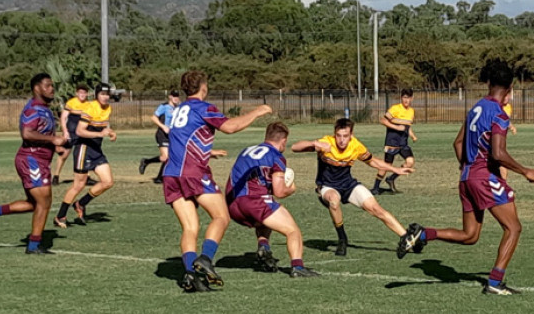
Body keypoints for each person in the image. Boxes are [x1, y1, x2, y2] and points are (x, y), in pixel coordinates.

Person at [398, 58, 534, 295]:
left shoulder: (476, 108)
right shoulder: (499, 114)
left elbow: (458, 142)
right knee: (513, 228)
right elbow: (498, 152)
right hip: (483, 177)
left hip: (466, 177)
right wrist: (525, 170)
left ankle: (423, 233)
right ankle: (495, 283)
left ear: (489, 84)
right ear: (509, 88)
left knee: (470, 235)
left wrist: (468, 169)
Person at [163, 70, 272, 292]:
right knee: (221, 216)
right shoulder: (204, 107)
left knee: (190, 227)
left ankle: (191, 275)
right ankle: (205, 259)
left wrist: (207, 152)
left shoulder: (178, 110)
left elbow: (182, 138)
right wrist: (257, 112)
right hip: (193, 173)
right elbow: (230, 127)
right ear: (203, 86)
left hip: (171, 174)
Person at [292, 117, 413, 257]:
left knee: (375, 208)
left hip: (348, 185)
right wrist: (314, 143)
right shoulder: (326, 143)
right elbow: (295, 148)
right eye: (338, 135)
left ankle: (407, 238)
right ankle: (342, 239)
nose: (341, 140)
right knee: (333, 200)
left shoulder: (355, 146)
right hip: (327, 186)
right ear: (334, 134)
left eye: (345, 136)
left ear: (351, 135)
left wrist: (396, 170)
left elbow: (373, 162)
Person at [0, 74, 68, 254]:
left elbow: (41, 133)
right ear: (37, 88)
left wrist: (54, 145)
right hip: (31, 159)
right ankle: (33, 246)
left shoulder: (45, 109)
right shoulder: (32, 109)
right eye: (48, 86)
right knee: (44, 201)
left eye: (52, 86)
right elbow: (27, 133)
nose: (52, 89)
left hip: (39, 160)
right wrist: (53, 139)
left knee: (35, 204)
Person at [226, 122, 318, 278]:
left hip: (232, 204)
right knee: (292, 231)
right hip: (254, 201)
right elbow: (280, 191)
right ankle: (298, 266)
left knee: (265, 219)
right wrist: (292, 188)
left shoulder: (246, 150)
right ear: (283, 141)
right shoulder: (277, 157)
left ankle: (264, 247)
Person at [54, 84, 116, 227]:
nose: (105, 97)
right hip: (84, 149)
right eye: (102, 94)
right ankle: (60, 216)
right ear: (96, 95)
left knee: (108, 182)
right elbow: (80, 131)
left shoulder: (108, 108)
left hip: (96, 150)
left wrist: (111, 132)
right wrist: (100, 134)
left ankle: (81, 203)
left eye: (107, 94)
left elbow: (103, 125)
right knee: (79, 185)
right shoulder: (89, 108)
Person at [371, 88, 417, 195]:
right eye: (405, 97)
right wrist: (396, 128)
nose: (407, 100)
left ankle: (391, 178)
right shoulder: (395, 108)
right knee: (386, 165)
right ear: (401, 98)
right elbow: (383, 120)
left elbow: (407, 126)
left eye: (409, 98)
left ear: (412, 98)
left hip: (403, 143)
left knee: (410, 162)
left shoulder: (411, 111)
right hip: (392, 142)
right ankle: (376, 187)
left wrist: (412, 135)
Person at [139, 89, 180, 184]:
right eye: (174, 96)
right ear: (170, 96)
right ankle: (146, 162)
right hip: (162, 134)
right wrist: (163, 126)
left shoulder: (177, 108)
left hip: (172, 135)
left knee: (169, 158)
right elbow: (153, 117)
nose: (176, 98)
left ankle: (159, 178)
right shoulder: (164, 106)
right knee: (165, 157)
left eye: (177, 96)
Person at [52, 84, 89, 185]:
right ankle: (56, 176)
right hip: (71, 132)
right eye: (80, 92)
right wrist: (65, 131)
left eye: (84, 92)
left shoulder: (89, 105)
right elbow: (63, 117)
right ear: (77, 93)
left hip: (82, 133)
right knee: (64, 155)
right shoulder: (71, 103)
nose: (82, 94)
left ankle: (84, 177)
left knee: (82, 155)